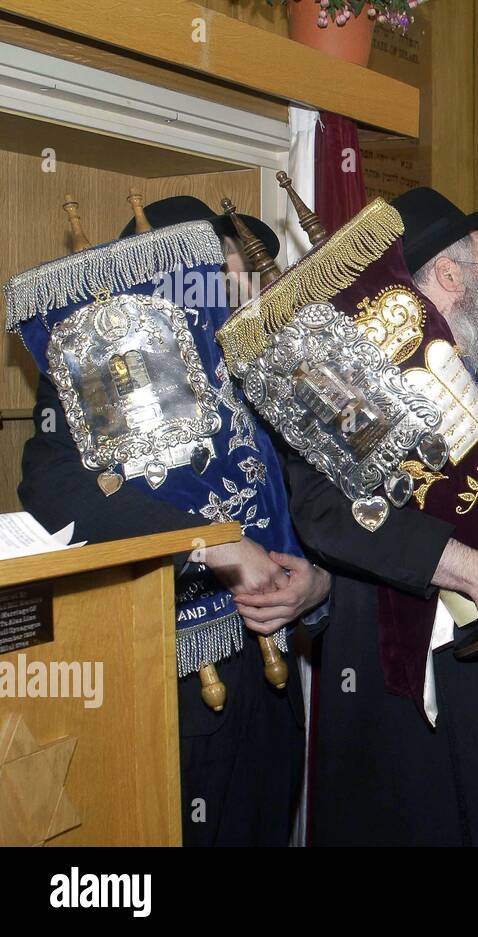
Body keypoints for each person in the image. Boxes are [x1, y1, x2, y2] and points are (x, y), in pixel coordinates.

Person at [13, 197, 330, 845]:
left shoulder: (264, 364)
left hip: (272, 676)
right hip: (170, 677)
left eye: (240, 276)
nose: (234, 295)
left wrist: (321, 585)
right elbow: (54, 490)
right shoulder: (93, 369)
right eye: (219, 274)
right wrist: (211, 544)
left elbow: (320, 502)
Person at [294, 186, 478, 845]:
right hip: (417, 688)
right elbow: (328, 511)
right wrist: (474, 573)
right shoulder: (348, 380)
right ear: (450, 275)